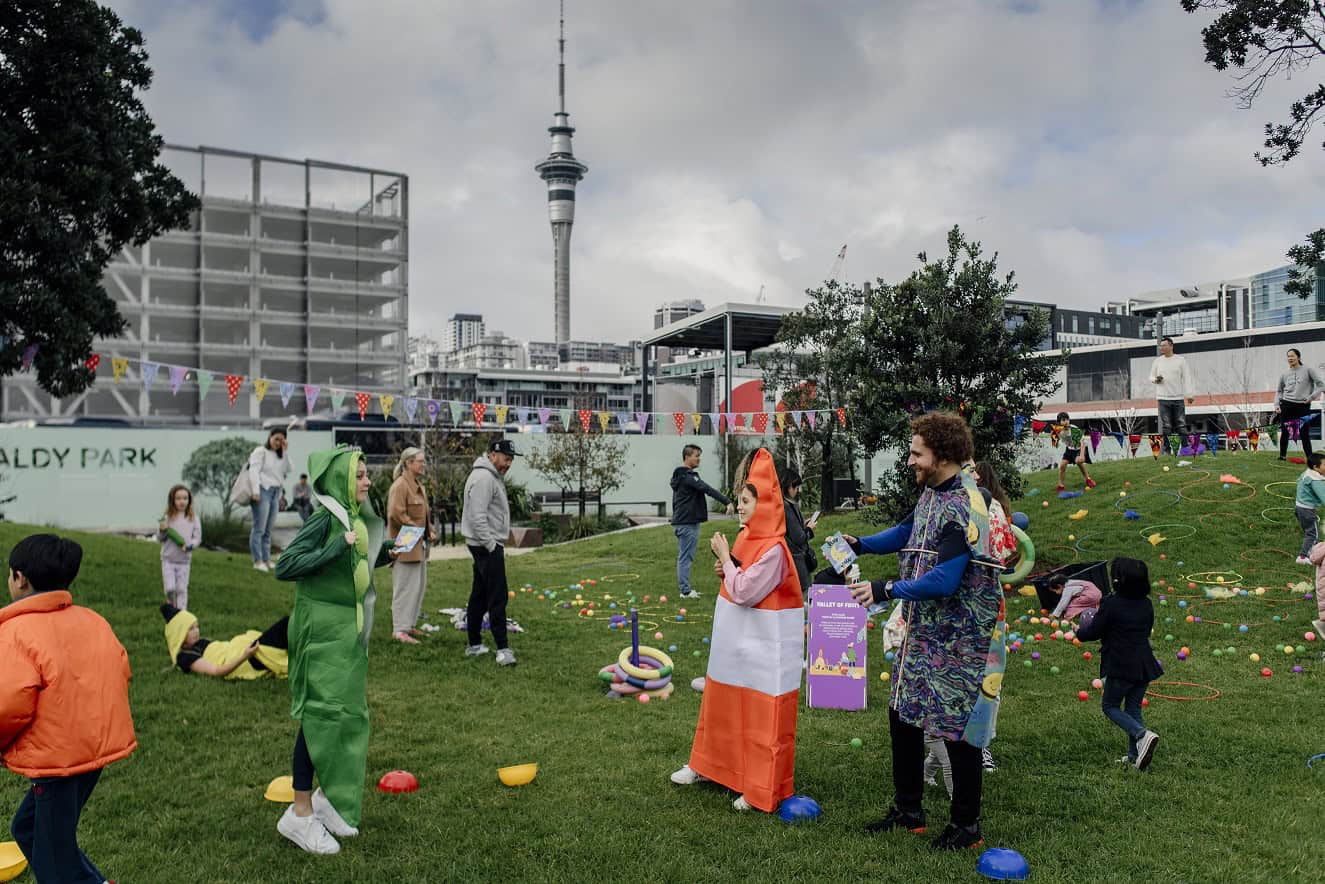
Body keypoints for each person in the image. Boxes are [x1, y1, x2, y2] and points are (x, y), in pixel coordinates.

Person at [845, 411, 1005, 851]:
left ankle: (966, 827)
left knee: (956, 730)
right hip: (924, 633)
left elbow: (946, 579)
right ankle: (909, 810)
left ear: (941, 454)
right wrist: (861, 543)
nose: (910, 461)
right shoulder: (934, 493)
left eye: (917, 453)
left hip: (959, 642)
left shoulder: (963, 504)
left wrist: (884, 587)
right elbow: (907, 532)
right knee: (902, 713)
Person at [273, 445, 394, 855]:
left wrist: (382, 556)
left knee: (346, 716)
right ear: (341, 478)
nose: (367, 481)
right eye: (359, 475)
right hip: (320, 632)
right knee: (318, 716)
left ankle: (326, 800)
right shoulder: (325, 517)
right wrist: (335, 548)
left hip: (345, 633)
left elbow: (348, 567)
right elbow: (286, 565)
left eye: (365, 475)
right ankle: (299, 813)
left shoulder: (350, 518)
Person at [670, 448, 803, 812]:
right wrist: (727, 567)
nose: (739, 507)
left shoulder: (774, 548)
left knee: (763, 717)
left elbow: (745, 590)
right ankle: (710, 766)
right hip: (736, 647)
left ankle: (761, 785)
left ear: (763, 506)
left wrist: (727, 561)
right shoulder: (748, 538)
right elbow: (739, 580)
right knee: (722, 708)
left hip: (762, 651)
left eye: (745, 501)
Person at [0, 533, 136, 882]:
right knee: (29, 828)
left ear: (20, 578)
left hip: (58, 763)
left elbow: (9, 704)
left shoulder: (15, 632)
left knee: (51, 864)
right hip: (91, 755)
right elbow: (121, 670)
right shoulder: (93, 620)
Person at [1075, 557, 1162, 770]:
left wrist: (1080, 631)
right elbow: (1147, 626)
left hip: (1121, 666)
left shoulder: (1111, 604)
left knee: (1110, 706)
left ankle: (1142, 735)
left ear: (1117, 581)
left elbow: (1093, 631)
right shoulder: (1147, 604)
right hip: (1143, 665)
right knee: (1133, 707)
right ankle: (1135, 756)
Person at [462, 438, 519, 665]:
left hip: (483, 544)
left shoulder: (489, 475)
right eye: (506, 459)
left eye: (511, 460)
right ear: (493, 455)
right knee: (498, 596)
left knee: (480, 595)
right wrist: (491, 545)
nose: (508, 464)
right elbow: (477, 517)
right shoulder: (485, 478)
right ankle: (503, 649)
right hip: (486, 545)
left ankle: (474, 644)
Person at [670, 444, 734, 600]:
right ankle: (685, 591)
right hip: (687, 523)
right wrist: (727, 501)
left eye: (699, 456)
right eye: (696, 456)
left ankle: (685, 589)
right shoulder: (689, 477)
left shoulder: (681, 477)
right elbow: (707, 489)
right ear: (687, 457)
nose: (699, 459)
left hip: (682, 522)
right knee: (686, 557)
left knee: (684, 556)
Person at [387, 447, 437, 644]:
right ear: (408, 463)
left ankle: (410, 625)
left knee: (418, 587)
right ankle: (399, 629)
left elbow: (424, 514)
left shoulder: (418, 485)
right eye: (420, 461)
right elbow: (395, 514)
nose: (423, 465)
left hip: (418, 545)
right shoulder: (400, 486)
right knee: (405, 588)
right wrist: (417, 528)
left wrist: (429, 530)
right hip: (405, 545)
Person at [161, 603, 290, 679]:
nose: (196, 631)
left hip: (240, 650)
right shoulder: (185, 656)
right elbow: (217, 671)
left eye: (197, 627)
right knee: (286, 625)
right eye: (190, 629)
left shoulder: (200, 642)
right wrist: (245, 655)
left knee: (287, 628)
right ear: (179, 634)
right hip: (245, 660)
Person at [248, 428, 291, 572]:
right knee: (259, 528)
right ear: (270, 437)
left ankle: (266, 560)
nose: (278, 442)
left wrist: (285, 451)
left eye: (281, 440)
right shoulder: (260, 451)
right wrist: (255, 491)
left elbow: (289, 469)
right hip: (262, 490)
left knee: (268, 529)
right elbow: (253, 470)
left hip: (275, 492)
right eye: (276, 439)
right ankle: (257, 561)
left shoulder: (280, 454)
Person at [158, 483, 202, 610]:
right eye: (178, 498)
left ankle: (182, 613)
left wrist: (189, 546)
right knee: (170, 588)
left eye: (185, 498)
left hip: (184, 561)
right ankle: (172, 607)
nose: (182, 501)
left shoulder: (193, 518)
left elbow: (197, 538)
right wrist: (163, 531)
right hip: (168, 560)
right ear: (172, 500)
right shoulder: (168, 518)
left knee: (182, 589)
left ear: (189, 500)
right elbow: (161, 538)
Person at [1275, 348, 1324, 461]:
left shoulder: (1308, 370)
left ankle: (1310, 458)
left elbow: (1321, 385)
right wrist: (1277, 404)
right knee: (1285, 432)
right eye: (1288, 356)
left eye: (1292, 356)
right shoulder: (1284, 374)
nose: (1290, 358)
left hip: (1302, 405)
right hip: (1286, 404)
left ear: (1298, 357)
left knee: (1304, 433)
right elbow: (1279, 391)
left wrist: (1311, 397)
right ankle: (1282, 456)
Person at [1148, 336, 1193, 455]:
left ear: (1171, 346)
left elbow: (1187, 378)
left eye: (1164, 345)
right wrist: (1156, 380)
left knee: (1181, 425)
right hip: (1163, 398)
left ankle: (1185, 449)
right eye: (1161, 346)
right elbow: (1151, 377)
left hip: (1178, 398)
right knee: (1166, 426)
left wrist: (1189, 394)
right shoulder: (1157, 361)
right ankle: (1166, 451)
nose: (1162, 348)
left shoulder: (1180, 360)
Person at [780, 468, 818, 595]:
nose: (797, 491)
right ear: (790, 486)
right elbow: (799, 538)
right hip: (797, 561)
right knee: (804, 596)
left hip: (791, 561)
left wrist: (802, 524)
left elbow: (790, 530)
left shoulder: (784, 504)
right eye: (796, 488)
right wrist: (809, 529)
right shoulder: (786, 507)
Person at [1295, 452, 1325, 566]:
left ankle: (1311, 552)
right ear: (1316, 467)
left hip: (1300, 508)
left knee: (1310, 532)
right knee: (1313, 534)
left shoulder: (1307, 474)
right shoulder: (1315, 480)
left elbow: (1299, 481)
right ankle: (1303, 557)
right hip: (1307, 510)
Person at [1054, 413, 1096, 492]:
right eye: (1063, 420)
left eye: (1067, 419)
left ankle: (1088, 480)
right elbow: (1056, 439)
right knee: (1062, 465)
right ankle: (1061, 486)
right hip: (1069, 449)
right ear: (1059, 422)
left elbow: (1083, 442)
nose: (1066, 421)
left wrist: (1082, 455)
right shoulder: (1058, 431)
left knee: (1078, 461)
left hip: (1080, 448)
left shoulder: (1073, 429)